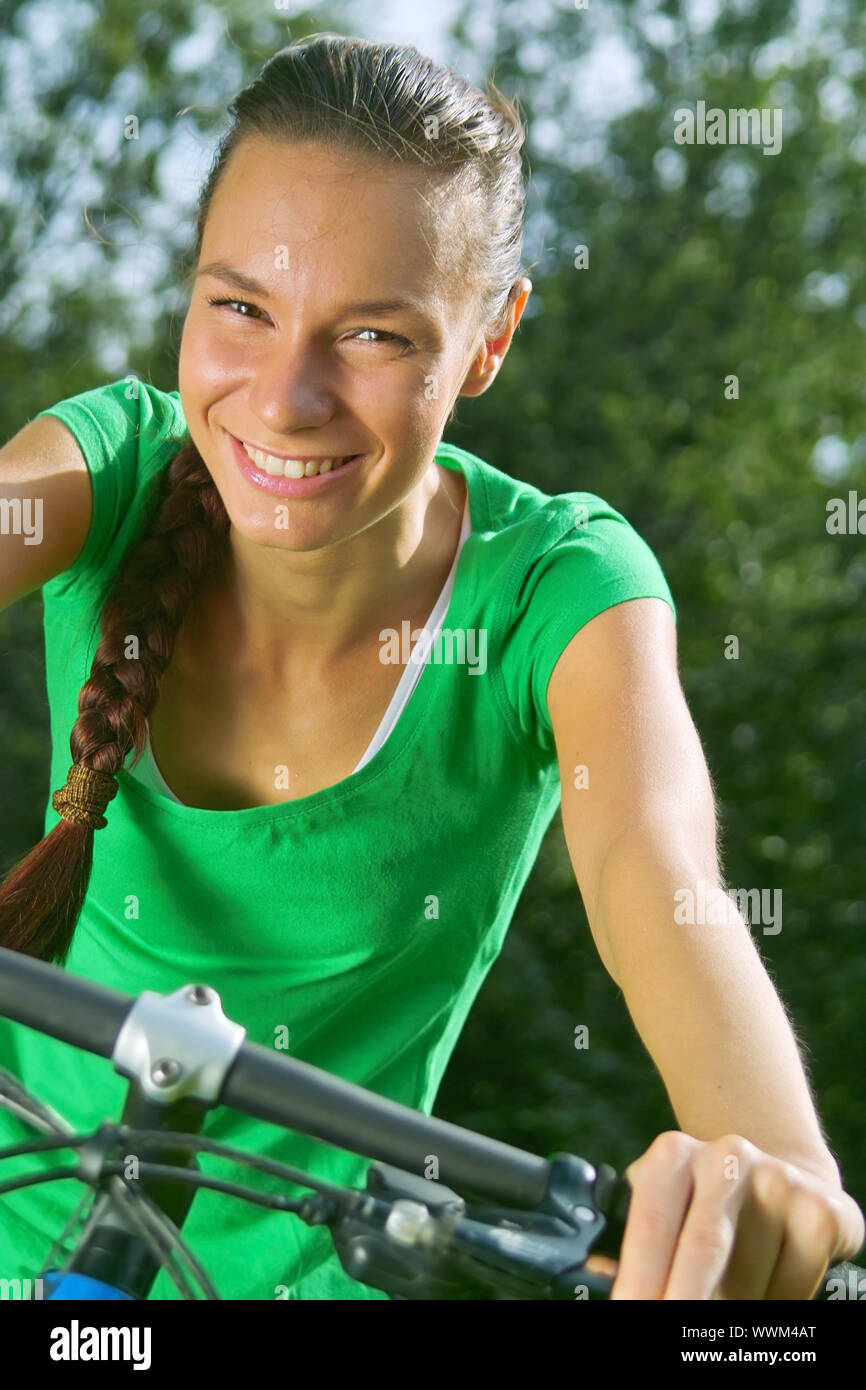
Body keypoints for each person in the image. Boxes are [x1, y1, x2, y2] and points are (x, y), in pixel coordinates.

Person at [0, 33, 861, 1301]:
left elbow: (652, 867)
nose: (284, 398)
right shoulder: (111, 469)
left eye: (373, 336)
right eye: (240, 308)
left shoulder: (552, 588)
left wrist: (773, 1162)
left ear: (487, 340)